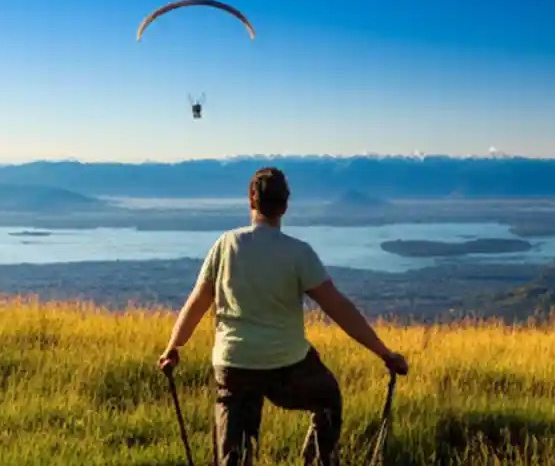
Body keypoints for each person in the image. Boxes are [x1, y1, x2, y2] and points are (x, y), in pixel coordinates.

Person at [158, 167, 409, 466]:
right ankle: (319, 459)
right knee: (327, 397)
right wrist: (384, 353)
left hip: (234, 364)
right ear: (285, 205)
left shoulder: (225, 246)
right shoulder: (298, 253)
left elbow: (197, 302)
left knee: (233, 448)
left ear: (251, 200)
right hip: (287, 365)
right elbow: (339, 308)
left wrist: (173, 348)